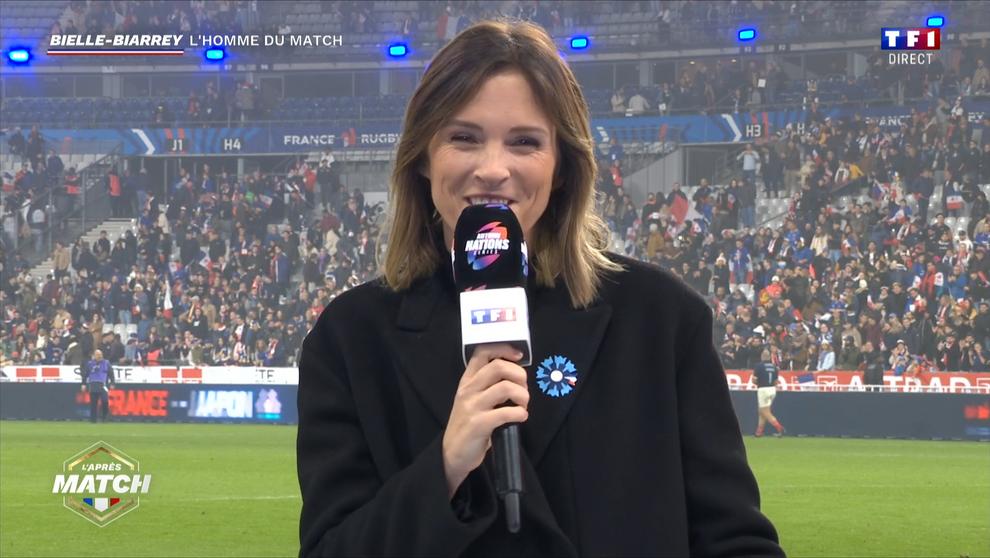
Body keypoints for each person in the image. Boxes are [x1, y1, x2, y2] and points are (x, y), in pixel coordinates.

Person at [296, 20, 782, 557]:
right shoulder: (349, 339)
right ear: (422, 158)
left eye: (524, 142)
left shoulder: (663, 320)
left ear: (564, 168)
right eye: (464, 138)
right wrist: (446, 467)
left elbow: (736, 541)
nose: (493, 169)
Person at [752, 349, 785, 437]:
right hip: (772, 390)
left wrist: (759, 384)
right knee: (762, 411)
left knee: (764, 411)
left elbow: (754, 380)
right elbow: (776, 381)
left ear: (762, 356)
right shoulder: (774, 367)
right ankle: (759, 432)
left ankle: (779, 427)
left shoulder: (758, 366)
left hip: (763, 390)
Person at [81, 349, 115, 423]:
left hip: (103, 385)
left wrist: (112, 383)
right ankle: (93, 420)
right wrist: (83, 384)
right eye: (97, 355)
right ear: (94, 355)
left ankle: (105, 418)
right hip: (93, 384)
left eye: (100, 354)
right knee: (93, 403)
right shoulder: (90, 364)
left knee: (105, 401)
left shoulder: (106, 363)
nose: (99, 356)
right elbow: (85, 374)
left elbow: (111, 373)